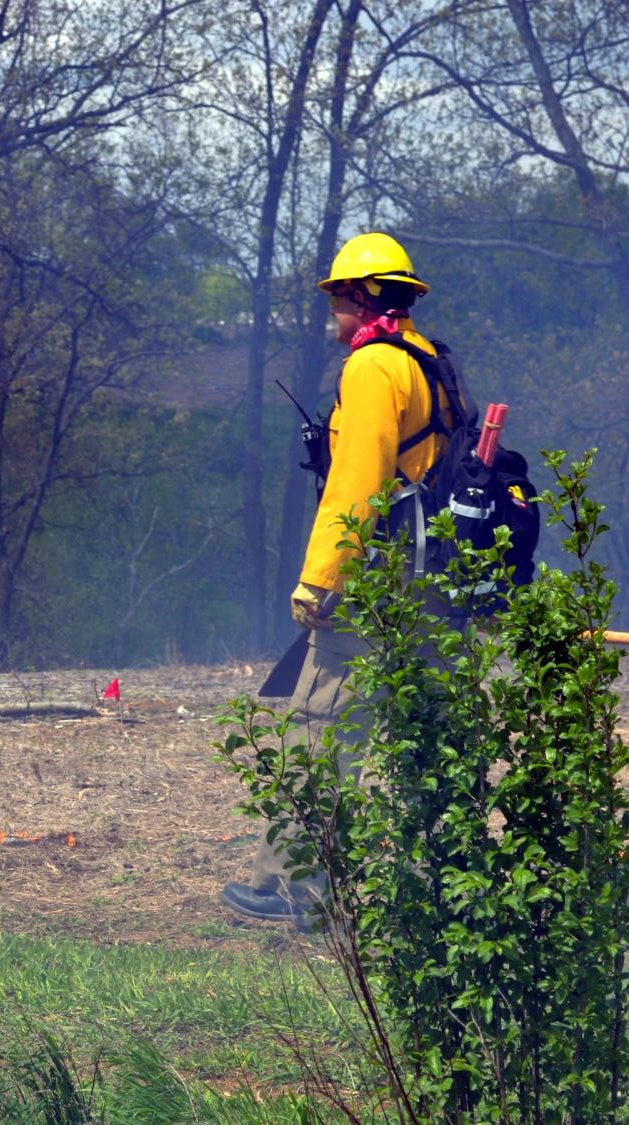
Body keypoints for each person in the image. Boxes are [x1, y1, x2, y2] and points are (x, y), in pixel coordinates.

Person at [220, 232, 456, 925]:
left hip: (374, 580)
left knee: (320, 723)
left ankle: (294, 889)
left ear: (364, 296)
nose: (333, 310)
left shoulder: (374, 366)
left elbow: (358, 480)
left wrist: (321, 576)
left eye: (339, 297)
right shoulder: (425, 359)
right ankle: (440, 891)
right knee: (428, 731)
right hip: (429, 578)